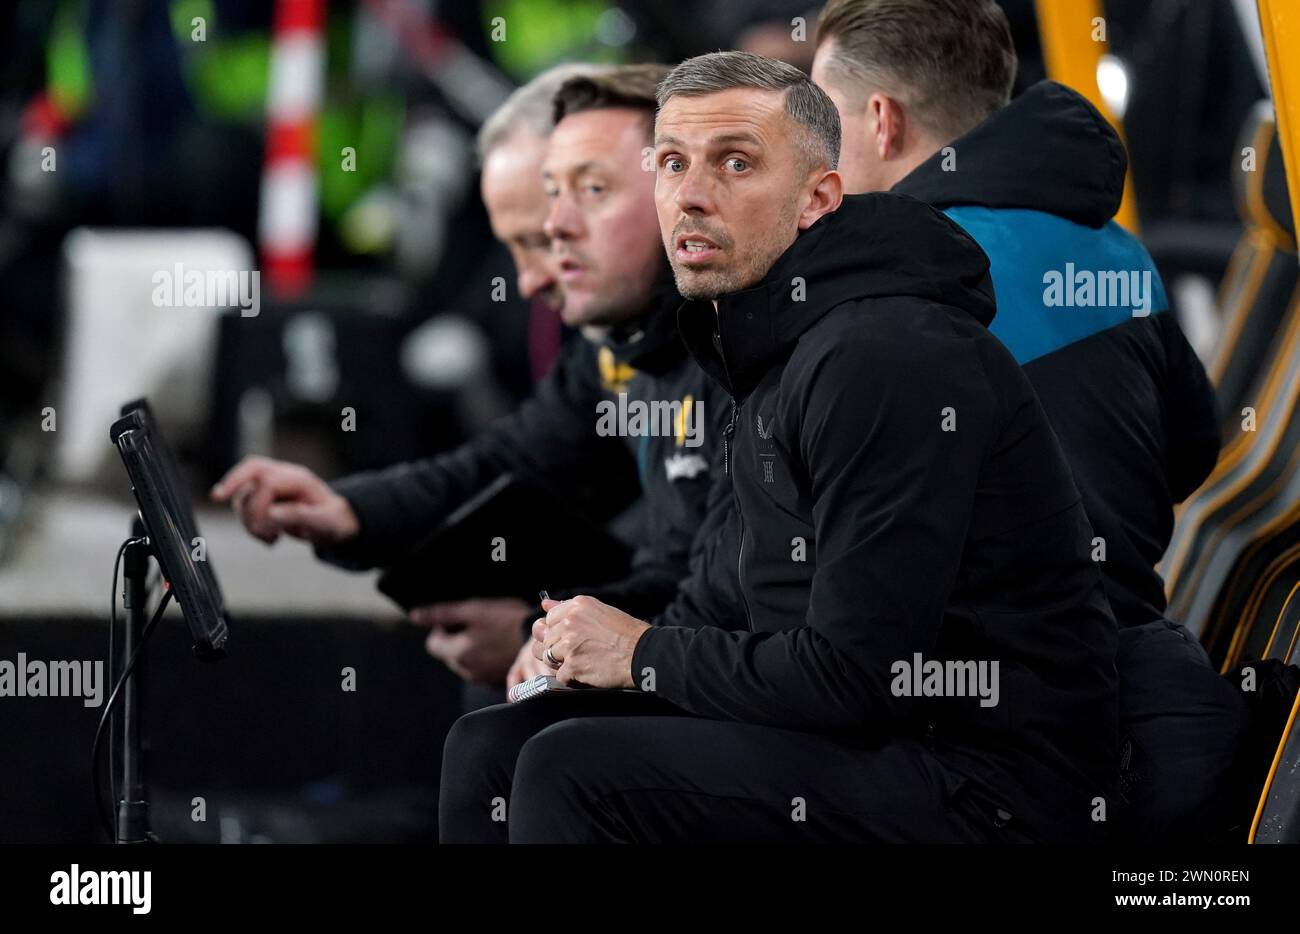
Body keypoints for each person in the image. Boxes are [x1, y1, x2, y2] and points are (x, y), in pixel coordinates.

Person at [439, 51, 1118, 844]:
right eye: (670, 164)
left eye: (735, 163)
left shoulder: (883, 353)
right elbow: (739, 598)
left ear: (817, 198)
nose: (690, 196)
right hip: (871, 738)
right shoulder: (764, 342)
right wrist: (580, 641)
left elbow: (859, 677)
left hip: (989, 780)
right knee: (496, 744)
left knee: (570, 771)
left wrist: (643, 653)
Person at [810, 0, 1246, 841]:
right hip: (1144, 695)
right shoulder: (1114, 247)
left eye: (819, 117)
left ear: (880, 119)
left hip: (965, 725)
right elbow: (1190, 448)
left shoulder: (880, 277)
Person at [212, 64, 733, 702]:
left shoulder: (729, 350)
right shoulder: (619, 344)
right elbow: (514, 463)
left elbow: (712, 591)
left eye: (544, 235)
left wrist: (530, 632)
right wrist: (348, 510)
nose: (533, 280)